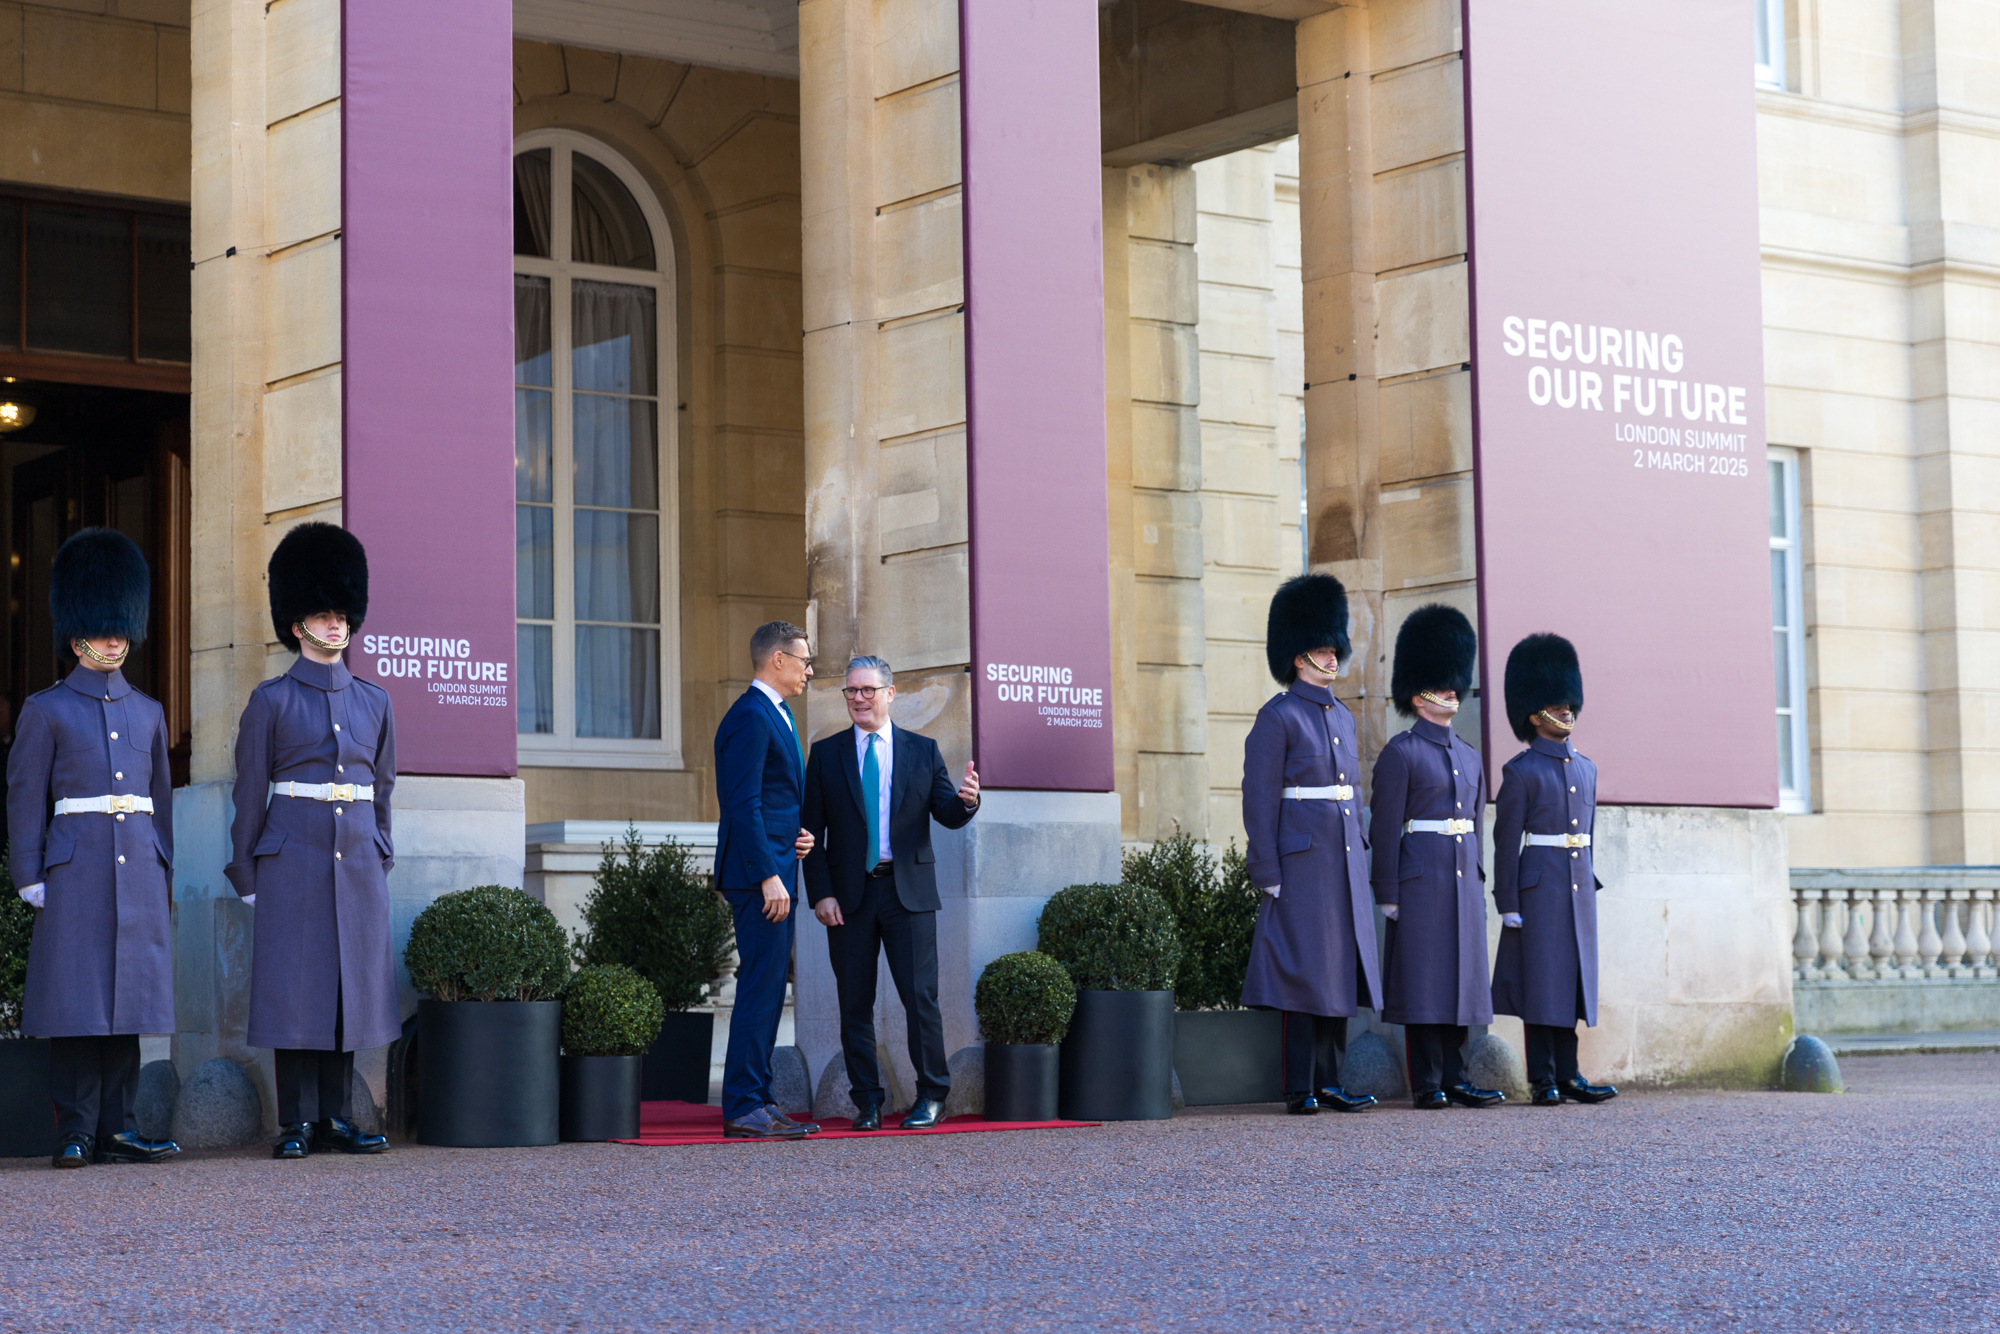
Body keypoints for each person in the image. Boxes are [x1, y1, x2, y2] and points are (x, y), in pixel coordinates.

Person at [8, 528, 180, 1168]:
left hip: (136, 872)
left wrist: (162, 871)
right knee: (78, 1003)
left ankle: (119, 1127)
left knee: (128, 1002)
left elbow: (160, 803)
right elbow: (25, 795)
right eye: (104, 629)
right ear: (78, 631)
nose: (114, 639)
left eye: (120, 628)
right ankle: (76, 1130)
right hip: (75, 870)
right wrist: (28, 872)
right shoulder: (46, 710)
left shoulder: (149, 711)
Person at [227, 523, 395, 1159]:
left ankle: (334, 1117)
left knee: (347, 990)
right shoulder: (271, 701)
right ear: (297, 624)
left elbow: (382, 790)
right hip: (291, 857)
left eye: (342, 615)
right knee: (295, 989)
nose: (336, 624)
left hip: (355, 859)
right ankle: (295, 1121)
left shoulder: (375, 702)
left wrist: (380, 851)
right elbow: (249, 793)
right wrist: (245, 872)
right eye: (324, 615)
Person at [803, 656, 980, 1131]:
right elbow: (810, 834)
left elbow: (946, 812)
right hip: (849, 898)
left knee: (920, 999)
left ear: (890, 693)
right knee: (854, 1003)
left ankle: (932, 1096)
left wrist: (968, 802)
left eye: (867, 690)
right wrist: (820, 894)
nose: (858, 698)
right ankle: (867, 1103)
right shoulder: (826, 754)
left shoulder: (922, 750)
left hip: (909, 897)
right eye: (851, 691)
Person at [1240, 574, 1380, 1116]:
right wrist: (1266, 866)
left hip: (1340, 859)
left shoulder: (1341, 714)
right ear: (1299, 657)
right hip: (1300, 862)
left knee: (1337, 969)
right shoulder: (1278, 716)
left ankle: (1330, 1080)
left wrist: (1359, 848)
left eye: (1333, 647)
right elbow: (1259, 798)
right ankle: (1300, 1085)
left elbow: (1352, 792)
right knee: (1303, 972)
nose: (1331, 655)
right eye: (1322, 649)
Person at [1370, 604, 1505, 1110]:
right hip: (1420, 879)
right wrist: (1388, 890)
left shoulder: (1469, 756)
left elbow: (1475, 824)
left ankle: (1458, 1076)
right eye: (1441, 686)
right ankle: (1428, 1082)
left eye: (1454, 686)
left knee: (1462, 980)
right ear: (1418, 695)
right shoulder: (1401, 753)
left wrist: (1477, 880)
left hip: (1461, 880)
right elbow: (1385, 828)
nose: (1451, 692)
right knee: (1424, 981)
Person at [1491, 633, 1617, 1105]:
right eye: (1556, 705)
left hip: (1577, 887)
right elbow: (1506, 842)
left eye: (1568, 704)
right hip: (1539, 887)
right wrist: (1508, 901)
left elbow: (1588, 835)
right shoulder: (1521, 771)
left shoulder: (1587, 769)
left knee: (1572, 982)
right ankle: (1542, 1078)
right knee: (1541, 983)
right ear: (1534, 714)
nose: (1566, 710)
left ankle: (1570, 1074)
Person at [714, 621, 820, 1140]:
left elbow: (773, 800)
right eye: (804, 660)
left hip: (776, 867)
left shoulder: (774, 713)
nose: (809, 670)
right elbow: (743, 804)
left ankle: (759, 1098)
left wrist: (796, 835)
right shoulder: (751, 716)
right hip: (761, 880)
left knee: (771, 990)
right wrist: (768, 877)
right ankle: (742, 1106)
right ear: (778, 659)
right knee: (760, 990)